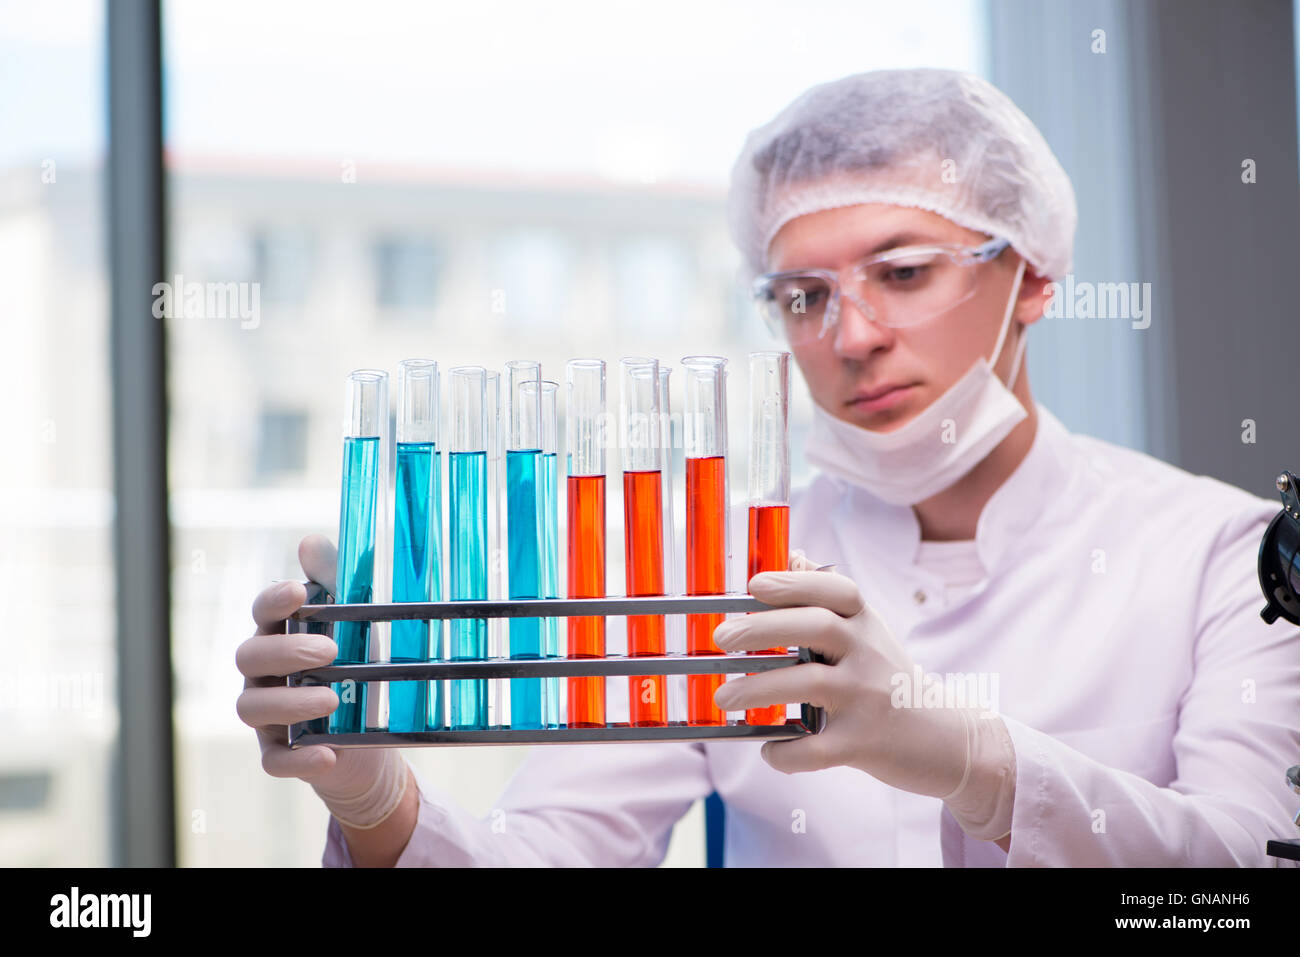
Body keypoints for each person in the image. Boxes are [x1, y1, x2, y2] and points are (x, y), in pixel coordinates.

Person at [236, 68, 1300, 866]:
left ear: (1032, 276)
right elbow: (556, 849)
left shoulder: (1220, 556)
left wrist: (970, 758)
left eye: (903, 271)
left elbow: (1241, 874)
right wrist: (380, 807)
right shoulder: (721, 559)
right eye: (802, 294)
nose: (851, 335)